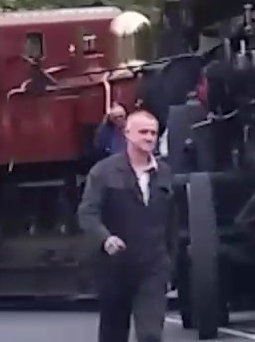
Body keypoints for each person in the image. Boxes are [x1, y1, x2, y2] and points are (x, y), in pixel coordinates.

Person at [78, 109, 176, 342]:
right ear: (127, 134)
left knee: (151, 334)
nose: (149, 138)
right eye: (143, 132)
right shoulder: (103, 172)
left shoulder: (165, 173)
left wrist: (170, 261)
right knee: (113, 334)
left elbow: (173, 220)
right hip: (115, 267)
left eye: (153, 133)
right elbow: (87, 213)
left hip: (153, 266)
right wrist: (105, 239)